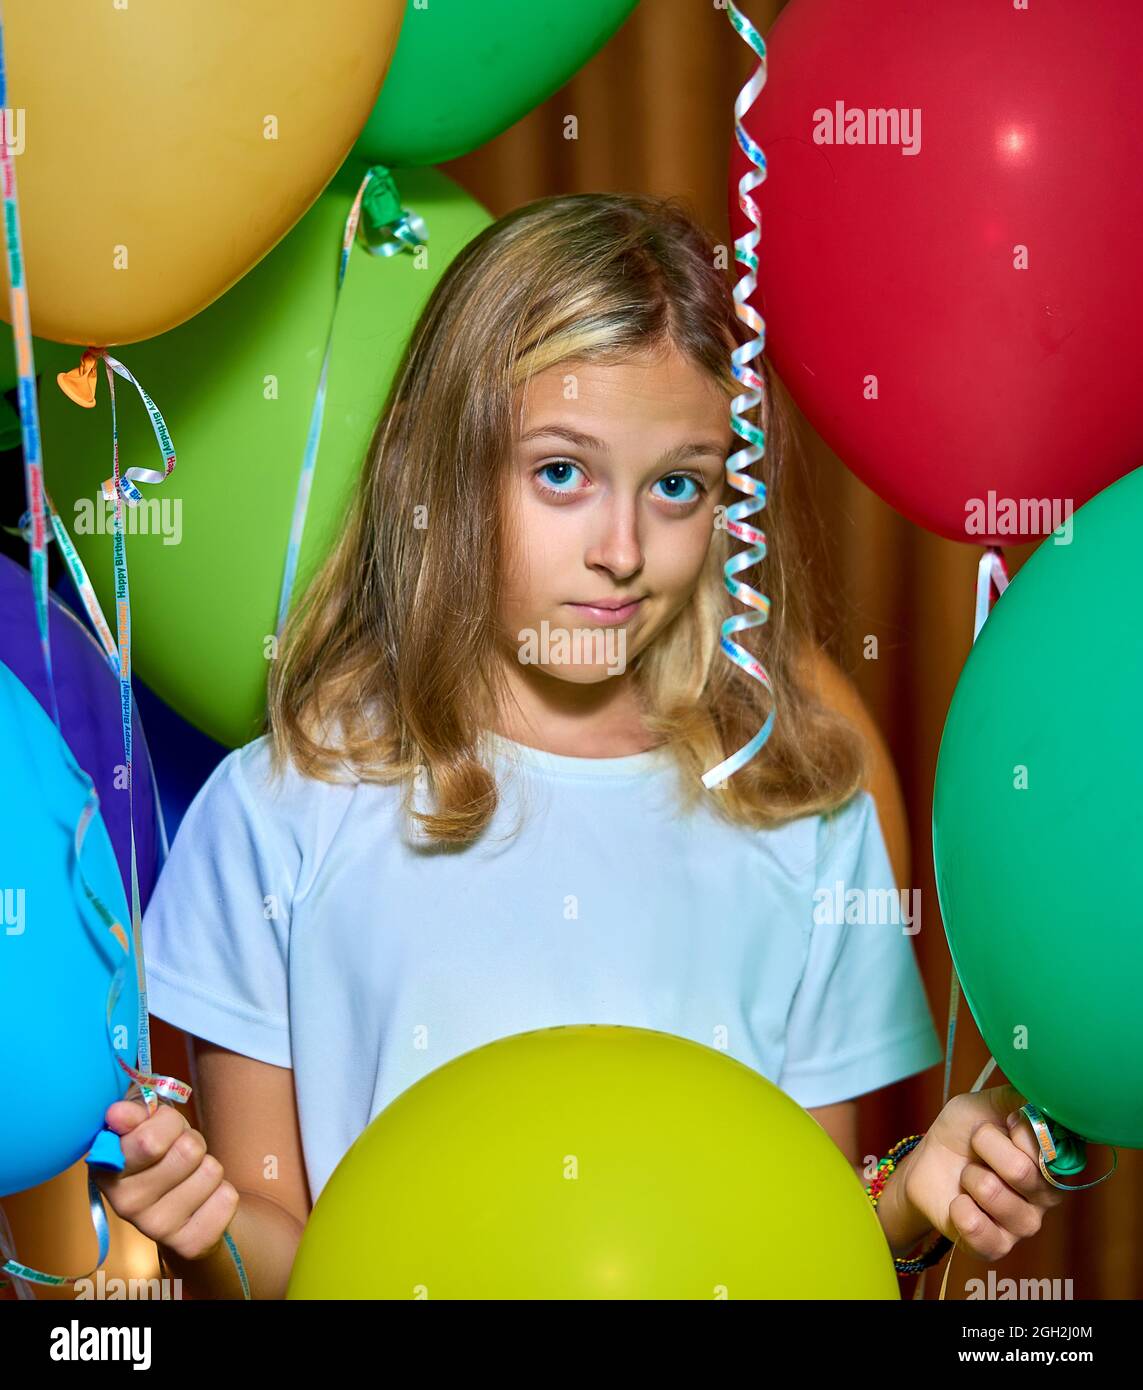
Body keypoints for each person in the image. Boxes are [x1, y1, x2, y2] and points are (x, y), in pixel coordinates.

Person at [93, 192, 1062, 1298]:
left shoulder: (800, 813)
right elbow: (287, 1265)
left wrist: (909, 1206)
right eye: (561, 471)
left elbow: (795, 1234)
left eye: (677, 485)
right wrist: (204, 1225)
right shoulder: (279, 809)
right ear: (441, 467)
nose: (622, 549)